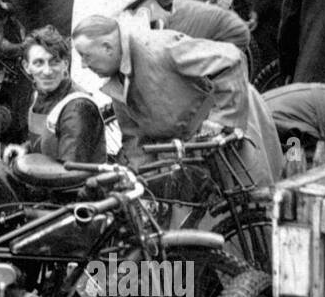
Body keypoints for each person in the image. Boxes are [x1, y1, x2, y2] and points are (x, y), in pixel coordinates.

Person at [72, 13, 283, 187]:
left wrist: (220, 123)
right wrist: (139, 180)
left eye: (85, 55)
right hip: (190, 145)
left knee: (251, 203)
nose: (82, 65)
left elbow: (230, 59)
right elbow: (134, 139)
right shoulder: (116, 82)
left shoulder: (160, 48)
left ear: (108, 47)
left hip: (232, 114)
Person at [1, 26, 116, 164]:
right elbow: (47, 140)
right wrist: (25, 150)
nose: (47, 71)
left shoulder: (78, 108)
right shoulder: (39, 94)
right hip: (45, 176)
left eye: (54, 62)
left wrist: (25, 167)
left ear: (65, 64)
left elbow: (70, 172)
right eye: (39, 63)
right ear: (27, 67)